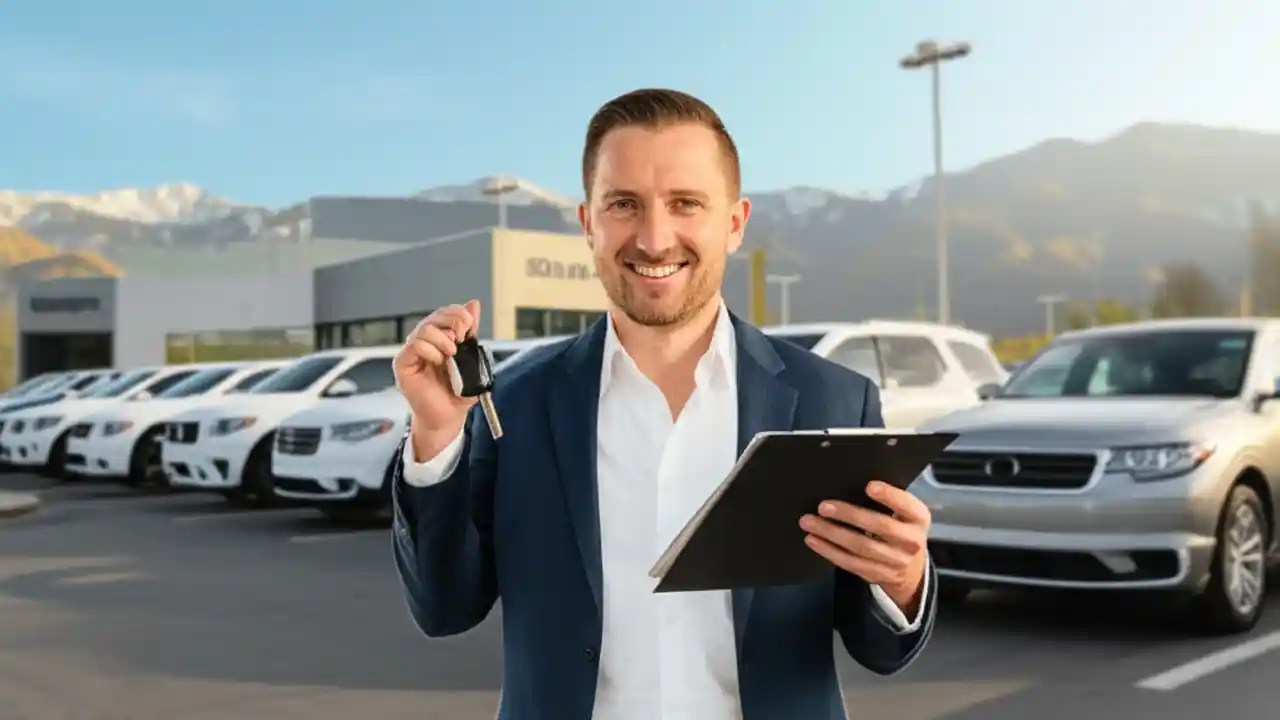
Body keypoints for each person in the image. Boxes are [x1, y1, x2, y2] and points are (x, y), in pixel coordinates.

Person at [391, 88, 937, 720]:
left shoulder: (835, 400)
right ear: (587, 221)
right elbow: (443, 609)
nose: (654, 239)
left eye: (685, 203)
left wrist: (901, 580)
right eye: (624, 204)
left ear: (734, 223)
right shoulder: (510, 402)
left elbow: (881, 648)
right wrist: (434, 440)